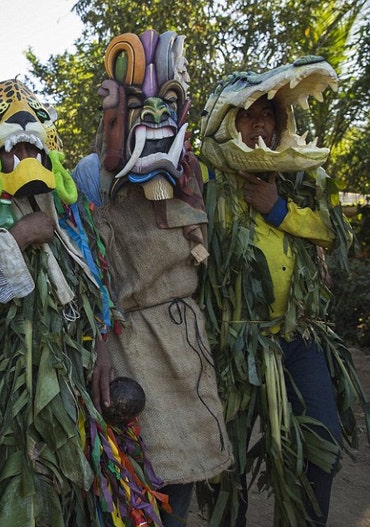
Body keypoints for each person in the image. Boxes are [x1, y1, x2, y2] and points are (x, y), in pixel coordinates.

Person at [0, 78, 164, 526]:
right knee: (18, 493)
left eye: (33, 151)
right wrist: (17, 238)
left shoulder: (62, 208)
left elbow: (89, 283)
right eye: (15, 151)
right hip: (3, 398)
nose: (25, 160)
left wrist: (100, 349)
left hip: (69, 384)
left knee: (72, 485)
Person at [70, 30, 233, 527]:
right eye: (138, 103)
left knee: (180, 479)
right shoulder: (90, 175)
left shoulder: (192, 173)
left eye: (165, 102)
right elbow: (84, 270)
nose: (153, 116)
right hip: (126, 345)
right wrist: (98, 345)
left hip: (185, 342)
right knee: (135, 477)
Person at [198, 56, 366, 525]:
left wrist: (279, 209)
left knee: (322, 448)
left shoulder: (301, 177)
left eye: (268, 114)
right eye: (248, 114)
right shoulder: (206, 178)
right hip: (231, 343)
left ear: (279, 124)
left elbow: (333, 231)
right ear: (232, 121)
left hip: (299, 338)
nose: (258, 124)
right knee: (224, 466)